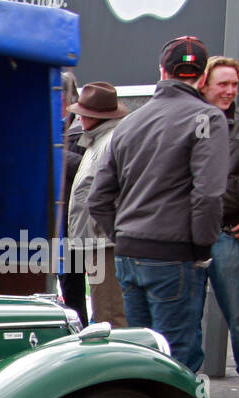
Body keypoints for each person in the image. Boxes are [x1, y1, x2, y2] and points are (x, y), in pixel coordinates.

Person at [88, 36, 228, 372]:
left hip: (131, 250)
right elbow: (208, 194)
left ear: (162, 71)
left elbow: (98, 198)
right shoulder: (206, 119)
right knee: (176, 360)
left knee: (141, 354)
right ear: (203, 77)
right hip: (173, 254)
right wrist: (201, 251)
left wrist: (123, 237)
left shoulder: (130, 122)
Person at [199, 56, 239, 398]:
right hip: (184, 236)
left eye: (234, 84)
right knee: (184, 319)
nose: (230, 91)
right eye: (223, 84)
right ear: (204, 84)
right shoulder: (187, 118)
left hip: (228, 232)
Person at [67, 81, 128, 328]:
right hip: (98, 239)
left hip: (104, 242)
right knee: (106, 311)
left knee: (110, 315)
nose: (79, 118)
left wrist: (109, 232)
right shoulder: (100, 139)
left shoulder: (110, 141)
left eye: (83, 114)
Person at [60, 71, 89, 326]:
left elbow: (90, 169)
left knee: (74, 292)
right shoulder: (37, 127)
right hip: (41, 223)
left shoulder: (82, 130)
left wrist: (57, 154)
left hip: (72, 225)